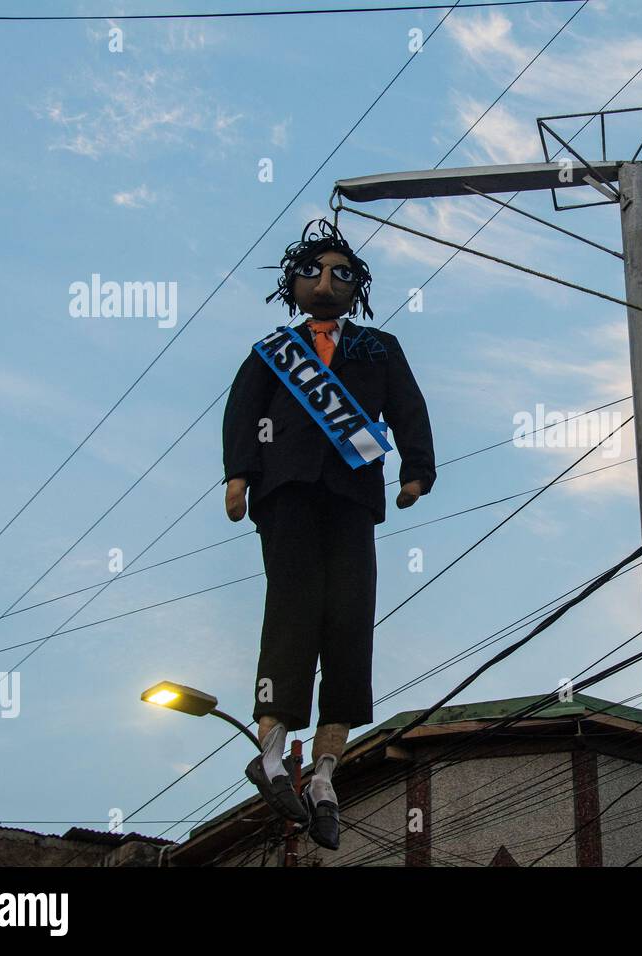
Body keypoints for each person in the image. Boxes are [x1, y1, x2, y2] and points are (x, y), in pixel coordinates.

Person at [221, 218, 436, 850]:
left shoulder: (378, 347)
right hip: (285, 489)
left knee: (349, 617)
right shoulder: (272, 351)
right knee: (292, 610)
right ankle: (269, 750)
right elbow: (242, 411)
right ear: (291, 283)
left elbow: (408, 408)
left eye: (341, 274)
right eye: (314, 272)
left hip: (352, 494)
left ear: (357, 286)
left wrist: (417, 469)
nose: (326, 283)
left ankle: (324, 775)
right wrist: (239, 475)